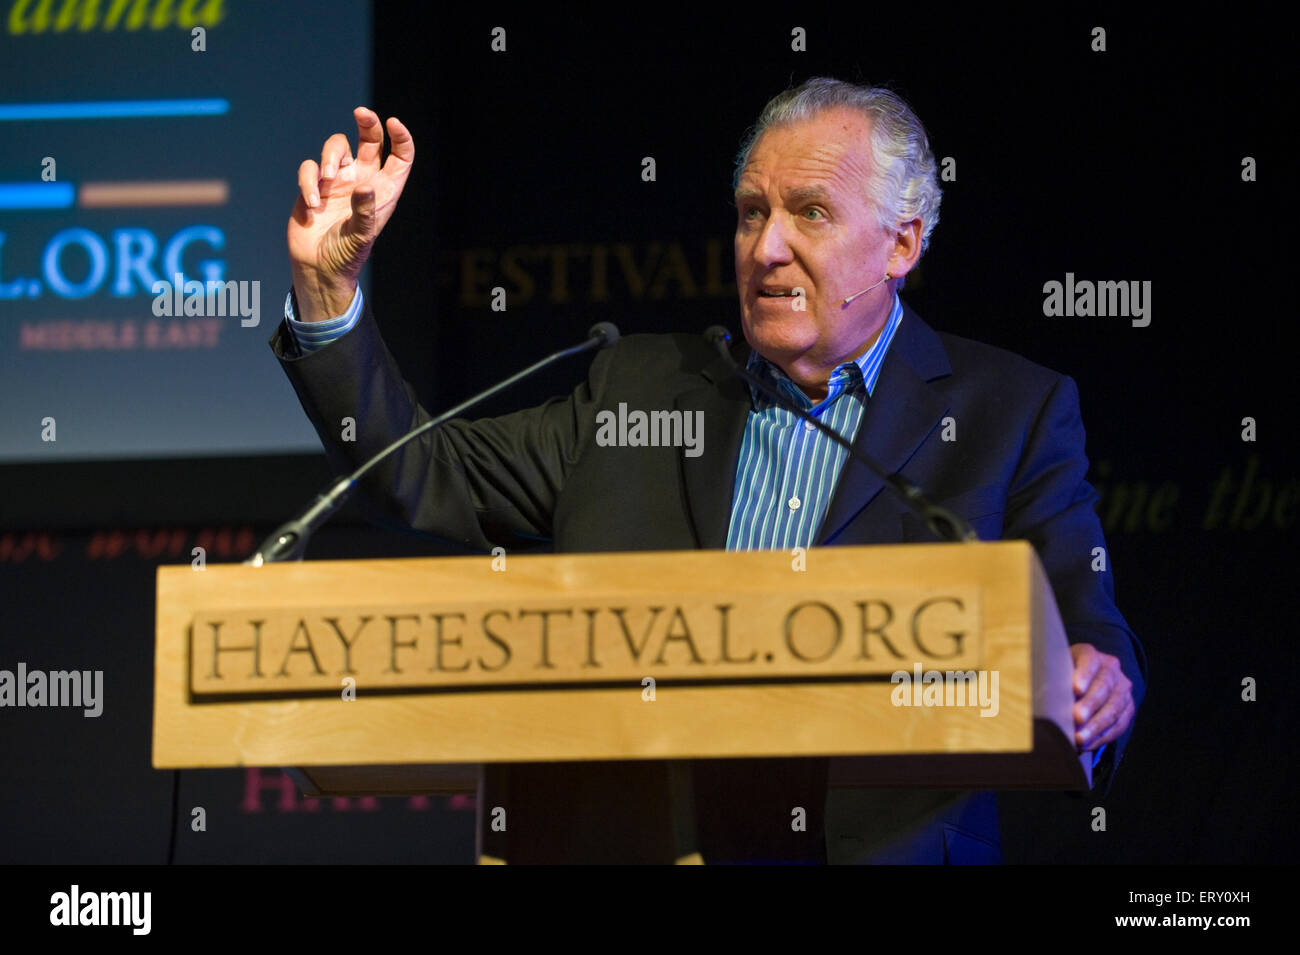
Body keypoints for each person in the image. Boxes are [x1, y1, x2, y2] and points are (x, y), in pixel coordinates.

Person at [269, 77, 1146, 864]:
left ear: (902, 245)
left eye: (810, 212)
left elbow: (1084, 622)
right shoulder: (641, 389)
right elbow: (420, 471)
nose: (765, 248)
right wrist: (325, 293)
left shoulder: (1008, 412)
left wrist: (1097, 677)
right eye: (750, 212)